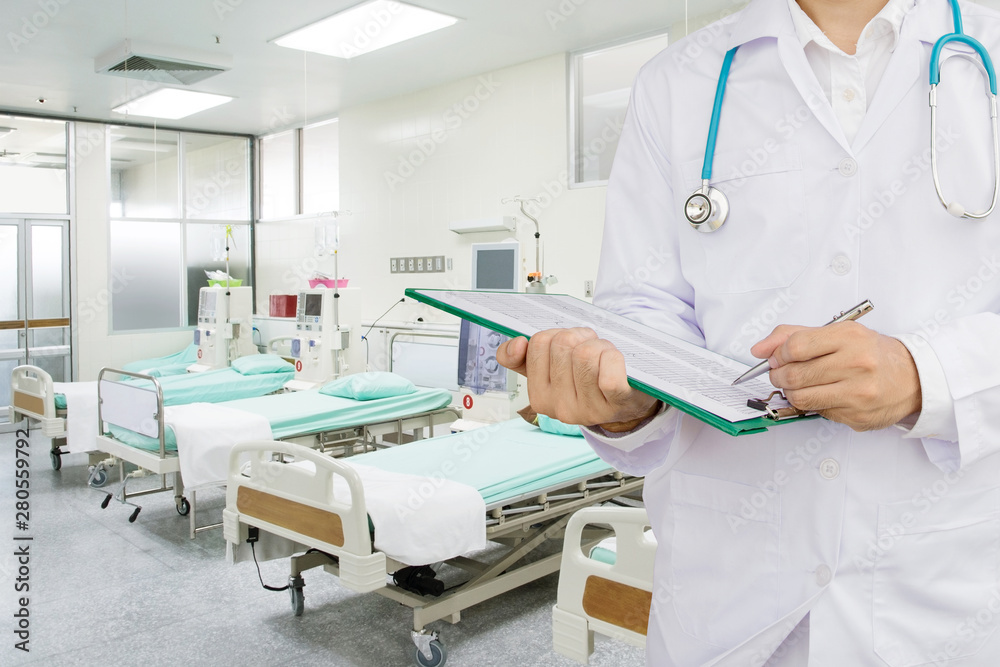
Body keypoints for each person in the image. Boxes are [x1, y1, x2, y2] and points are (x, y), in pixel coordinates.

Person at [497, 0, 1000, 664]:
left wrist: (924, 376)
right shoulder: (678, 81)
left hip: (941, 593)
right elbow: (644, 308)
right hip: (727, 596)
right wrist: (625, 399)